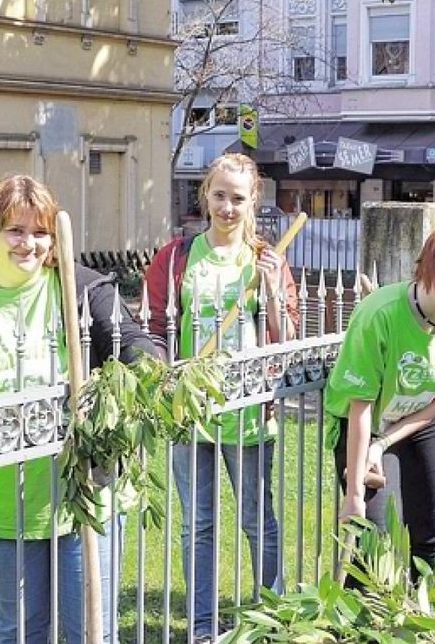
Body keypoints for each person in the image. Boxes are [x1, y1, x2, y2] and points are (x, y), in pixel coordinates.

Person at [0, 174, 156, 643]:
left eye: (40, 232)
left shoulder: (84, 291)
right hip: (0, 500)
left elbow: (138, 347)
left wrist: (134, 374)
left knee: (89, 631)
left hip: (83, 494)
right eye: (15, 230)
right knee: (19, 631)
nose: (28, 243)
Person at [145, 153, 299, 641]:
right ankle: (204, 627)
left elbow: (289, 338)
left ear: (254, 200)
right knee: (199, 525)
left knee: (259, 520)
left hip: (250, 411)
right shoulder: (176, 258)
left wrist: (274, 290)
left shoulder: (265, 259)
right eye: (219, 195)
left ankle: (269, 615)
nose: (227, 207)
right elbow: (154, 329)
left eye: (238, 198)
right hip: (190, 412)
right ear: (204, 195)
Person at [325, 221, 435, 575]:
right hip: (363, 422)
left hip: (423, 421)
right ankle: (364, 628)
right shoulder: (378, 314)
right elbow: (360, 407)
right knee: (371, 541)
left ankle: (425, 620)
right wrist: (354, 491)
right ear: (428, 264)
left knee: (430, 538)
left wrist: (384, 444)